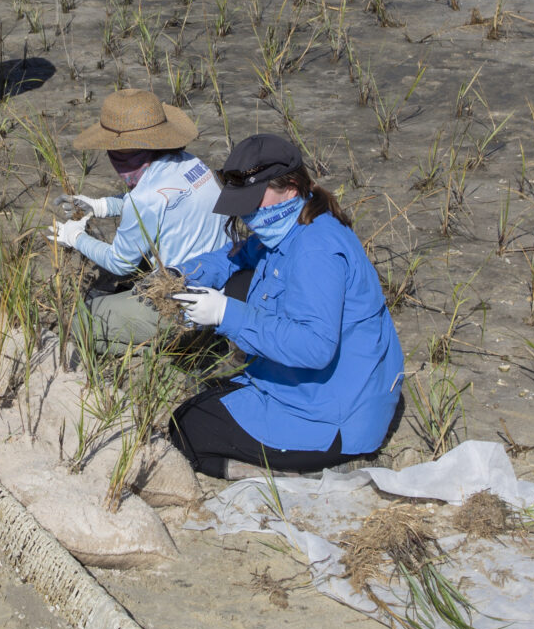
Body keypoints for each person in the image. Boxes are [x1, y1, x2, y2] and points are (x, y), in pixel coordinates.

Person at [165, 134, 404, 478]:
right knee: (205, 395)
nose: (247, 215)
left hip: (335, 417)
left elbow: (315, 348)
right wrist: (180, 275)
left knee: (185, 426)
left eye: (253, 201)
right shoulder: (291, 226)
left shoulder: (315, 250)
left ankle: (289, 474)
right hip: (319, 393)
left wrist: (225, 313)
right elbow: (234, 256)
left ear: (291, 186)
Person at [48, 89, 228, 354]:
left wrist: (76, 238)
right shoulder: (192, 164)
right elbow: (159, 203)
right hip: (223, 293)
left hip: (180, 308)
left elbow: (119, 263)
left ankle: (167, 354)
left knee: (79, 324)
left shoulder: (144, 198)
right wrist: (99, 205)